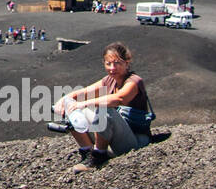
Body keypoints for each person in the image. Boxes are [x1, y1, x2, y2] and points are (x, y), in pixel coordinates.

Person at [52, 42, 151, 172]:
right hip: (116, 138)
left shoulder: (134, 81)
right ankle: (88, 153)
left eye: (117, 63)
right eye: (108, 63)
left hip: (135, 140)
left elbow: (119, 98)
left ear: (127, 63)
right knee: (73, 109)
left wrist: (85, 103)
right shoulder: (109, 80)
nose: (112, 68)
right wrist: (64, 101)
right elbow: (84, 92)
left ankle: (99, 156)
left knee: (104, 110)